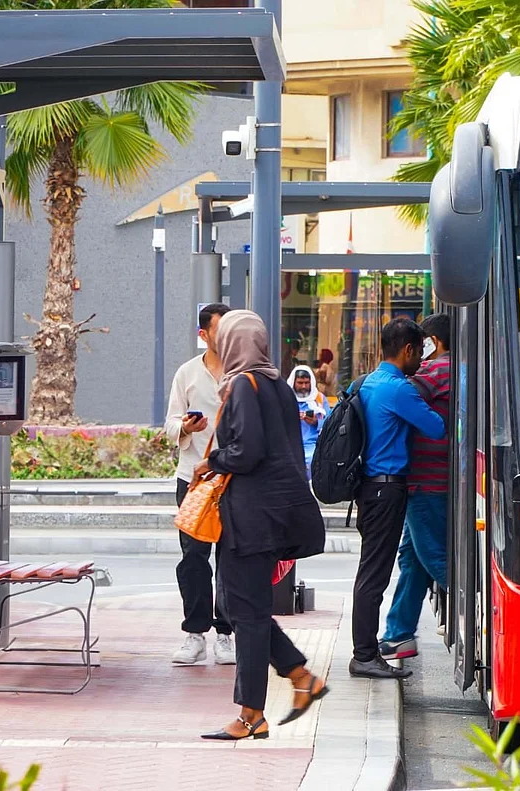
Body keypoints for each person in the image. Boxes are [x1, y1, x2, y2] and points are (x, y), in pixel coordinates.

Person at [196, 310, 328, 740]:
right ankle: (299, 676)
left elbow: (247, 452)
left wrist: (212, 461)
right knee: (240, 607)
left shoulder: (242, 386)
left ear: (234, 343)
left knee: (245, 612)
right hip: (275, 515)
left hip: (249, 517)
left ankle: (252, 713)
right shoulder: (279, 386)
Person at [349, 318, 445, 680]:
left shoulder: (368, 382)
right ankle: (364, 655)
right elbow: (436, 427)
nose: (422, 360)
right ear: (407, 350)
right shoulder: (399, 390)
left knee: (371, 572)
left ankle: (367, 652)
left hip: (370, 488)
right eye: (420, 352)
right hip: (387, 488)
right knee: (374, 575)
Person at [164, 303, 235, 666]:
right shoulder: (187, 373)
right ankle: (195, 633)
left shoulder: (244, 372)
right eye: (218, 330)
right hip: (194, 477)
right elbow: (170, 423)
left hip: (235, 479)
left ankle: (226, 634)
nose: (225, 337)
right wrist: (186, 428)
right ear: (203, 334)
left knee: (232, 558)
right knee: (193, 558)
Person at [380, 314, 452, 661]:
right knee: (414, 558)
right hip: (438, 480)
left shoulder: (437, 372)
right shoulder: (464, 369)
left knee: (434, 557)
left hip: (426, 481)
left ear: (434, 343)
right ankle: (399, 634)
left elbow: (401, 394)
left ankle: (482, 604)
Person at [288, 365, 328, 477]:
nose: (304, 386)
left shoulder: (319, 399)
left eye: (307, 382)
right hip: (291, 446)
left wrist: (316, 422)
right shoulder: (286, 398)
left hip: (314, 447)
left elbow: (330, 423)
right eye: (300, 383)